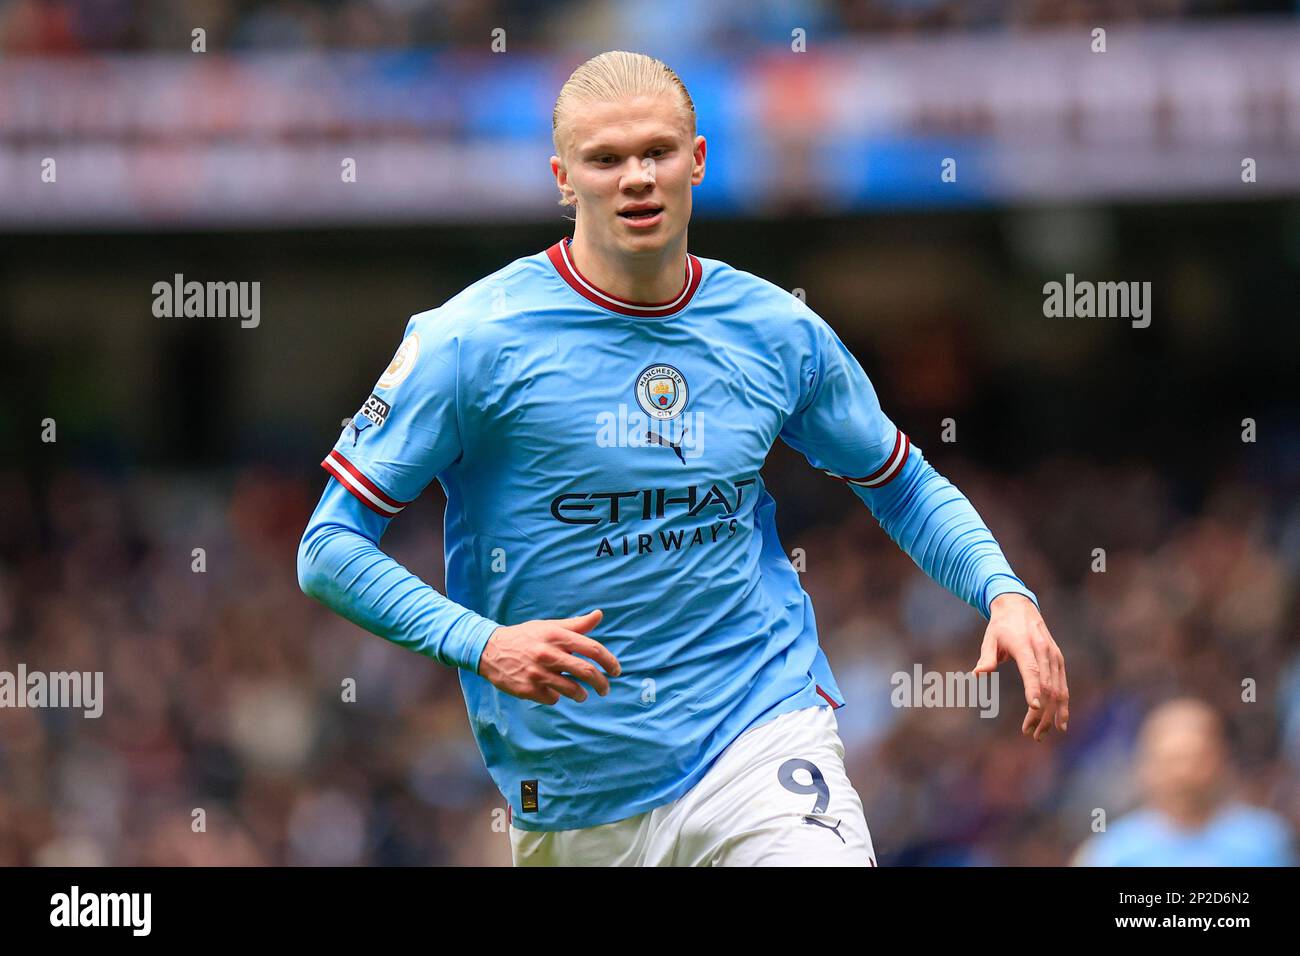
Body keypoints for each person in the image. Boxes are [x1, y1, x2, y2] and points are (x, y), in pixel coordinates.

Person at [297, 50, 1067, 866]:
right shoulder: (467, 341)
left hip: (759, 733)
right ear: (564, 179)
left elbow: (901, 482)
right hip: (577, 796)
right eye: (605, 159)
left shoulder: (777, 331)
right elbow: (328, 550)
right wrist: (484, 643)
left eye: (657, 152)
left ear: (697, 160)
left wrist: (1002, 590)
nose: (636, 178)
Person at [1074, 698, 1294, 866]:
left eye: (1195, 758)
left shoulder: (1265, 842)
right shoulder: (1111, 853)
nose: (1183, 772)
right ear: (1145, 766)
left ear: (1221, 759)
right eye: (1171, 760)